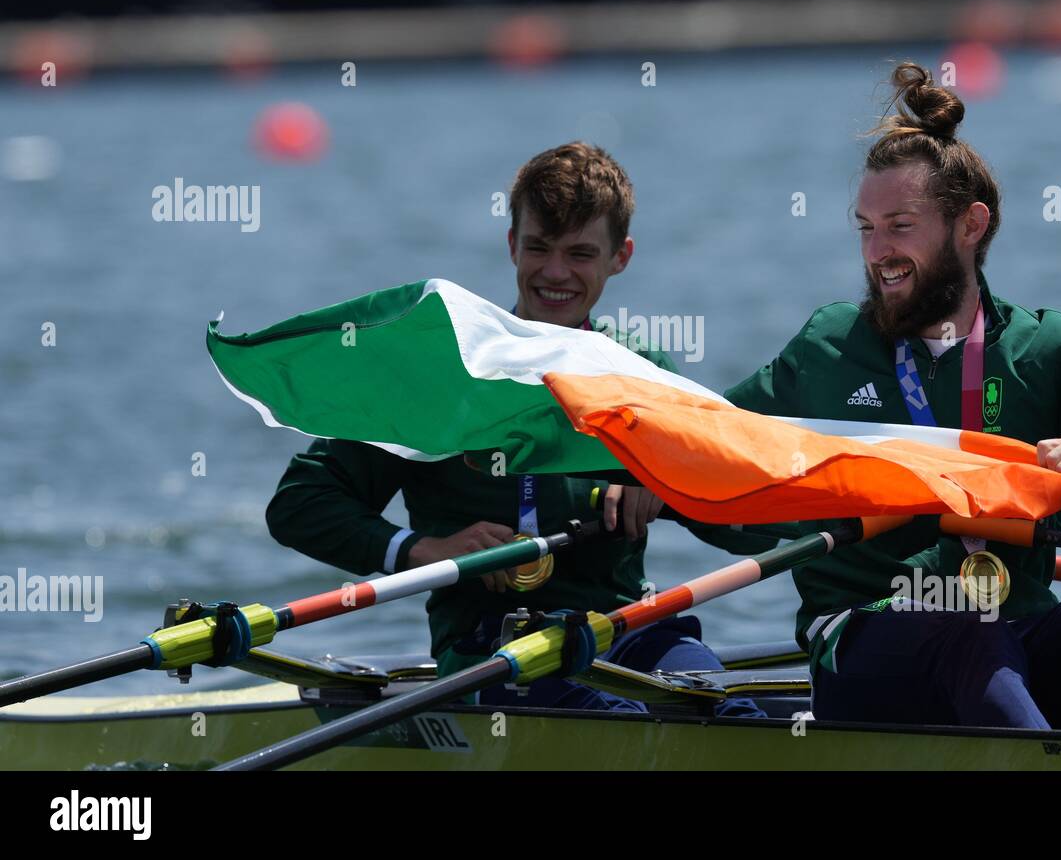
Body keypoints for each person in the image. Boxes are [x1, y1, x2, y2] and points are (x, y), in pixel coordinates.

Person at [723, 64, 1061, 729]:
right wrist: (646, 481)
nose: (877, 252)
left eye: (900, 226)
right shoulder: (826, 345)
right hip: (867, 646)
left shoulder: (1054, 350)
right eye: (865, 228)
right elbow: (713, 443)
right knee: (967, 627)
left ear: (971, 225)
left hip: (1008, 636)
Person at [267, 142, 762, 716]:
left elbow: (754, 523)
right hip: (491, 648)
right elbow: (299, 504)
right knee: (615, 724)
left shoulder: (641, 377)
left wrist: (671, 483)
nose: (555, 273)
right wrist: (423, 549)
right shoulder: (442, 376)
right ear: (511, 246)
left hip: (631, 631)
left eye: (579, 254)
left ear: (620, 256)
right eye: (538, 248)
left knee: (731, 716)